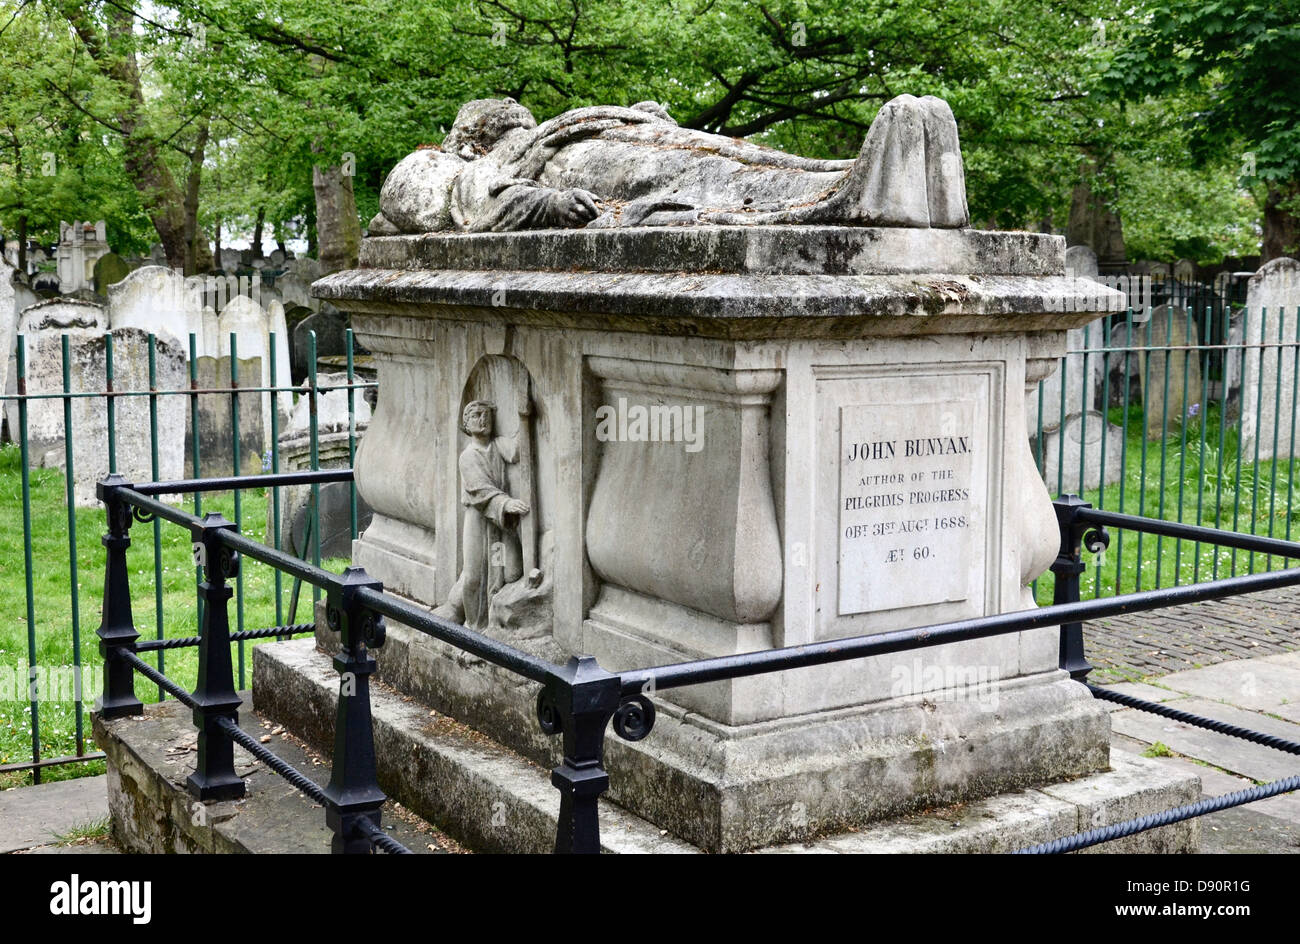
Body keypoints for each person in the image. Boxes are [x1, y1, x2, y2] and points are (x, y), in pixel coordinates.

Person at [371, 93, 969, 233]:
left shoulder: (535, 134)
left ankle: (872, 171)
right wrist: (547, 201)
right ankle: (856, 190)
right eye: (505, 121)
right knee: (696, 179)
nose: (516, 120)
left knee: (728, 154)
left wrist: (635, 114)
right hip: (569, 168)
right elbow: (469, 204)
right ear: (471, 138)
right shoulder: (432, 165)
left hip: (602, 135)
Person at [437, 400, 529, 630]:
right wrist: (505, 503)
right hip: (478, 519)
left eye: (487, 415)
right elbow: (478, 489)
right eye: (477, 415)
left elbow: (517, 450)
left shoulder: (497, 445)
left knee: (508, 571)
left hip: (499, 523)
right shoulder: (468, 455)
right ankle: (475, 626)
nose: (483, 419)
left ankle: (492, 622)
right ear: (466, 423)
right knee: (474, 575)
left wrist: (525, 417)